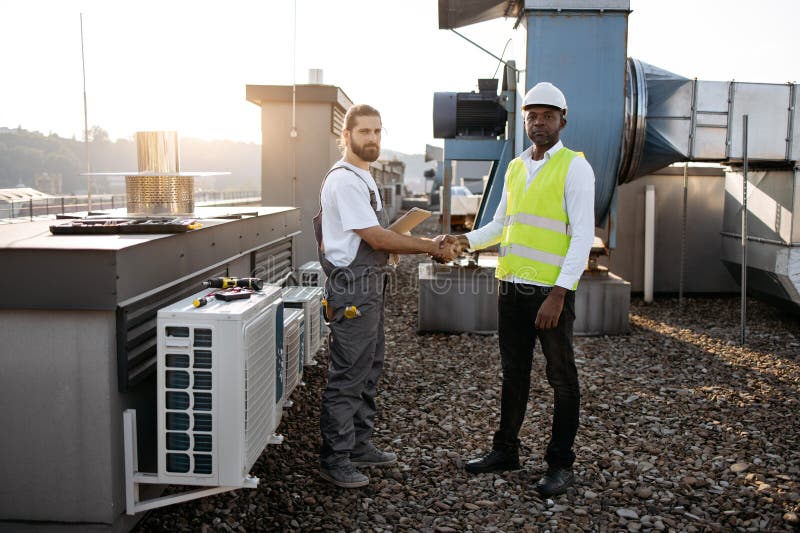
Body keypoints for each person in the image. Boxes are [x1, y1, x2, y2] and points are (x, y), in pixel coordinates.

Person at [446, 82, 595, 497]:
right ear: (524, 120)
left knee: (562, 379)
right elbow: (499, 225)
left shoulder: (575, 167)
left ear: (562, 120)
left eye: (548, 115)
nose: (539, 122)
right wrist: (462, 242)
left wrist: (559, 294)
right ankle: (505, 451)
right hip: (510, 288)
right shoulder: (514, 167)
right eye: (532, 115)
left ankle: (560, 464)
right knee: (514, 374)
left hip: (549, 294)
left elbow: (583, 236)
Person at [312, 104, 457, 488]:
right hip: (354, 289)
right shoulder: (344, 180)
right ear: (346, 137)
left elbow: (373, 235)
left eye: (377, 132)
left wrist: (400, 239)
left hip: (369, 285)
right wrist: (429, 245)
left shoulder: (363, 176)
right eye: (364, 133)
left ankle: (358, 444)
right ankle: (335, 458)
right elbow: (374, 238)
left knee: (369, 366)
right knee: (348, 374)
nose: (372, 139)